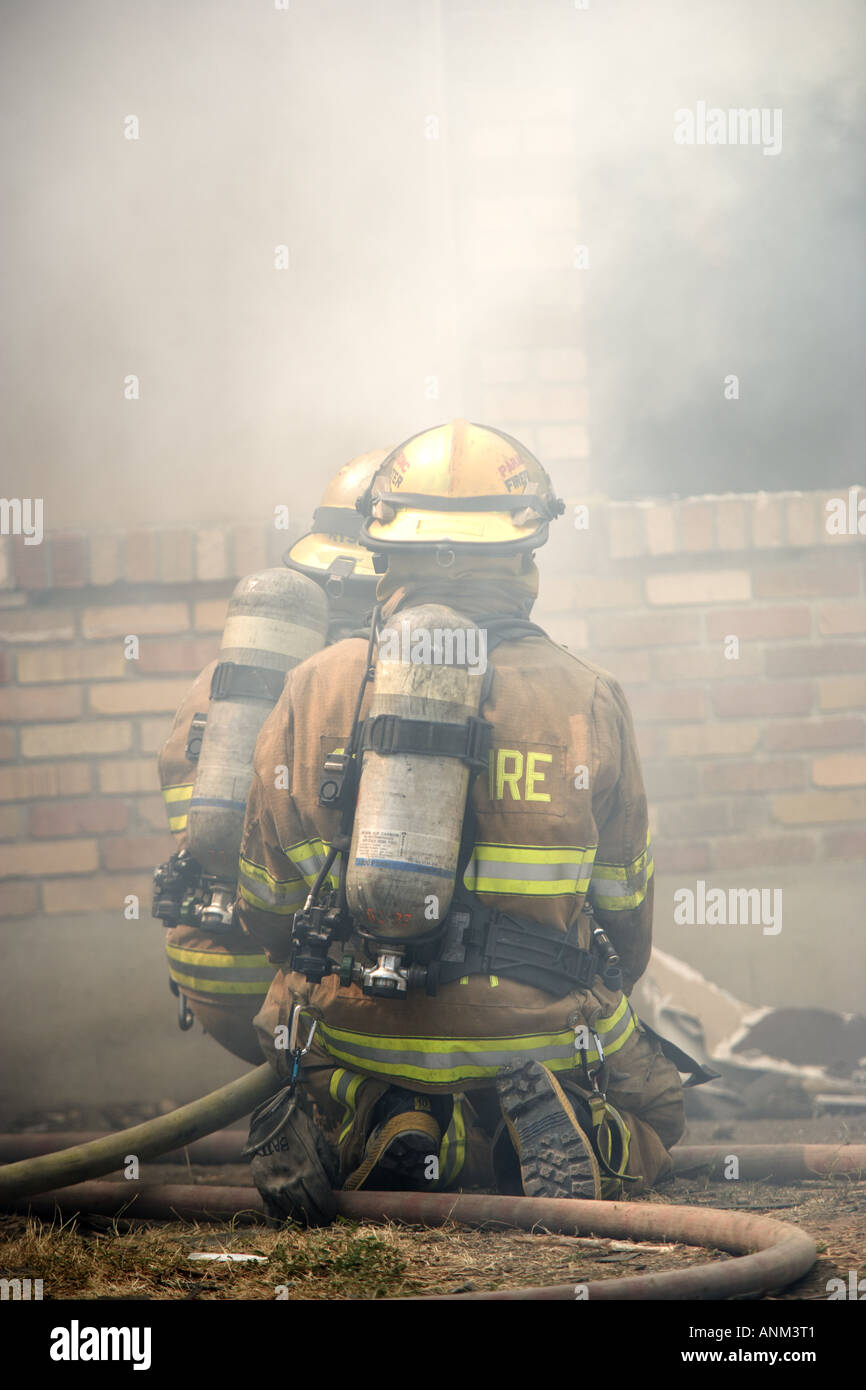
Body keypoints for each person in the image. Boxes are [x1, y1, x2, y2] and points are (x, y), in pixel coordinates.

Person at [236, 420, 686, 1223]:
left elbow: (267, 905)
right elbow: (627, 912)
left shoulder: (314, 686)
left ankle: (384, 1116)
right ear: (524, 558)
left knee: (304, 1024)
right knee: (662, 1106)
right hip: (534, 1029)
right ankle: (579, 1131)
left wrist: (315, 966)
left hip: (358, 1024)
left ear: (383, 557)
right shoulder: (586, 694)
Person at [154, 451, 387, 1063]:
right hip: (306, 984)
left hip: (206, 964)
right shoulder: (366, 683)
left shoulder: (225, 675)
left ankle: (306, 1107)